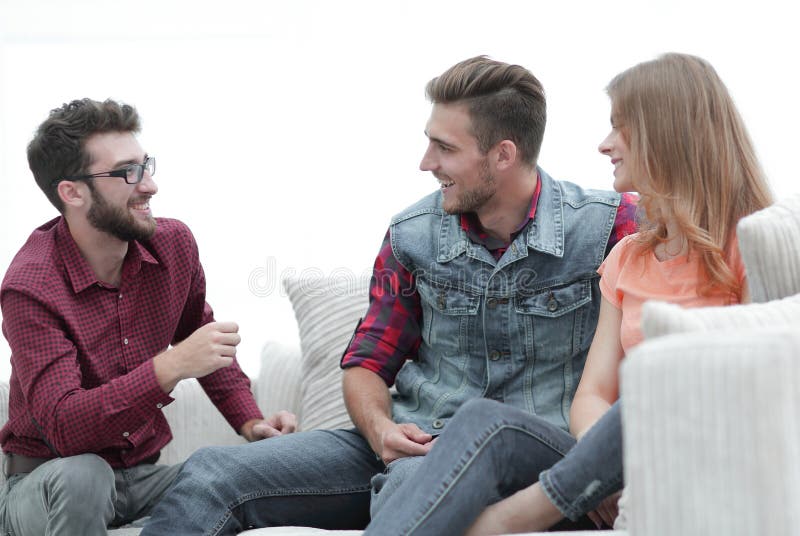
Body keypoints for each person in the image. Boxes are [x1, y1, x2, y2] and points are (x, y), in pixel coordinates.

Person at [140, 55, 637, 535]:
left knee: (416, 478)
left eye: (444, 148)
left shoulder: (608, 227)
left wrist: (605, 467)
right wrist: (381, 431)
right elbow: (368, 362)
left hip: (541, 451)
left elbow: (652, 361)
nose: (426, 163)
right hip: (419, 440)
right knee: (211, 473)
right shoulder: (412, 235)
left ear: (503, 154)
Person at [363, 52, 774, 536]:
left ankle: (514, 517)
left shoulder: (754, 245)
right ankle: (544, 500)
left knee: (654, 393)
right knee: (483, 421)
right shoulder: (628, 257)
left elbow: (757, 387)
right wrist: (601, 466)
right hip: (606, 449)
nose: (604, 145)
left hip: (692, 447)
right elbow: (592, 395)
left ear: (667, 134)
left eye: (620, 128)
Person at [0, 98, 298, 536]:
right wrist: (172, 365)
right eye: (127, 172)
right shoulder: (31, 286)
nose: (150, 186)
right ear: (73, 192)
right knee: (86, 476)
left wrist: (251, 421)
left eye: (146, 165)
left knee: (232, 475)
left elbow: (201, 336)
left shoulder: (173, 245)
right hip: (49, 482)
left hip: (143, 476)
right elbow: (66, 427)